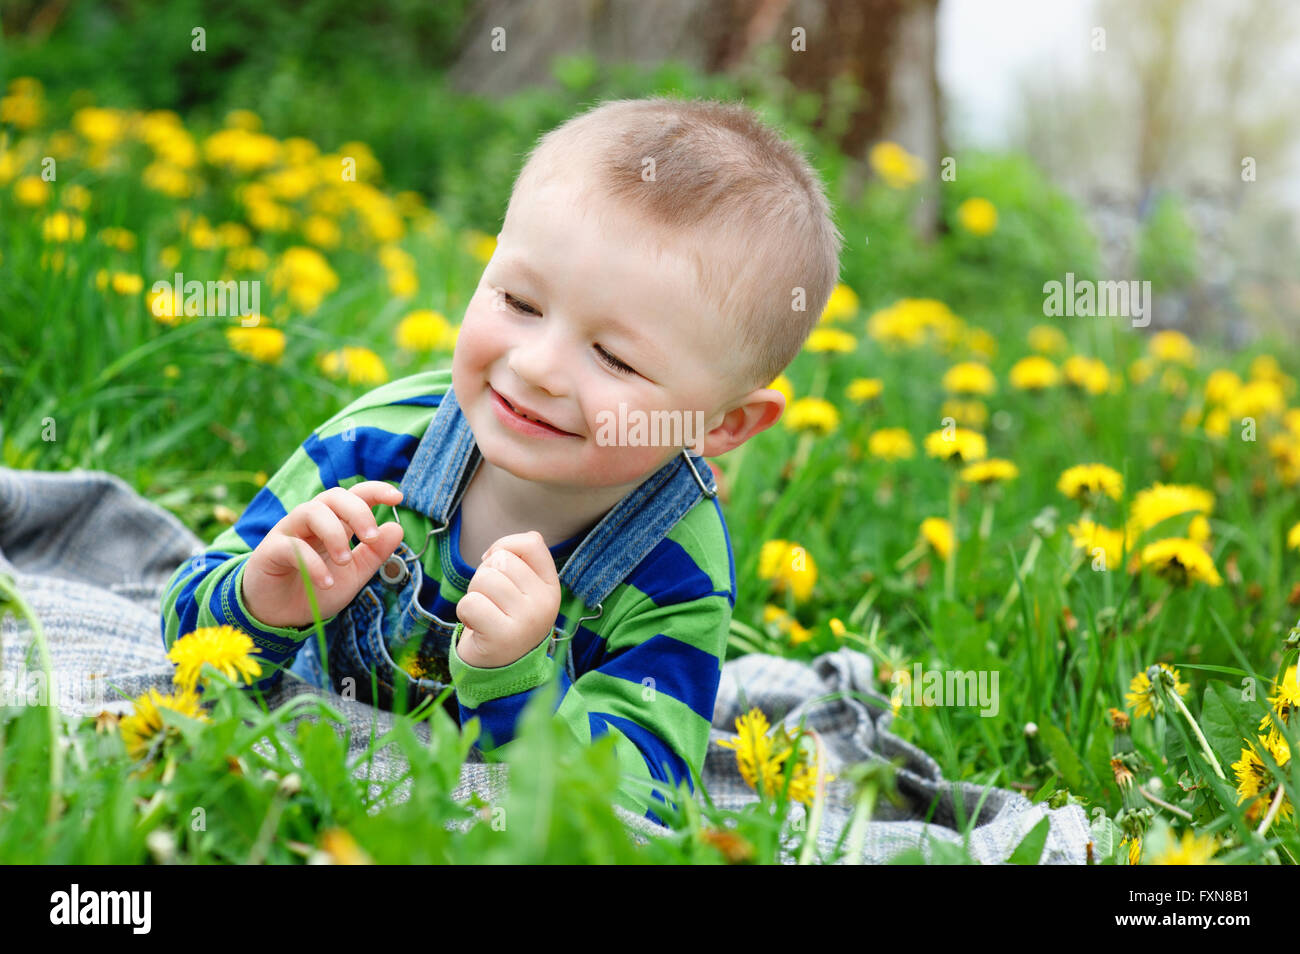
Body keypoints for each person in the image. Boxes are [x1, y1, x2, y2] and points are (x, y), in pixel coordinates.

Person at [161, 95, 843, 825]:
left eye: (614, 358)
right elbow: (182, 633)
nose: (539, 366)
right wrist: (260, 601)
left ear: (724, 423)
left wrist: (520, 682)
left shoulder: (674, 568)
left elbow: (640, 803)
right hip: (298, 785)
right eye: (519, 302)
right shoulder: (378, 443)